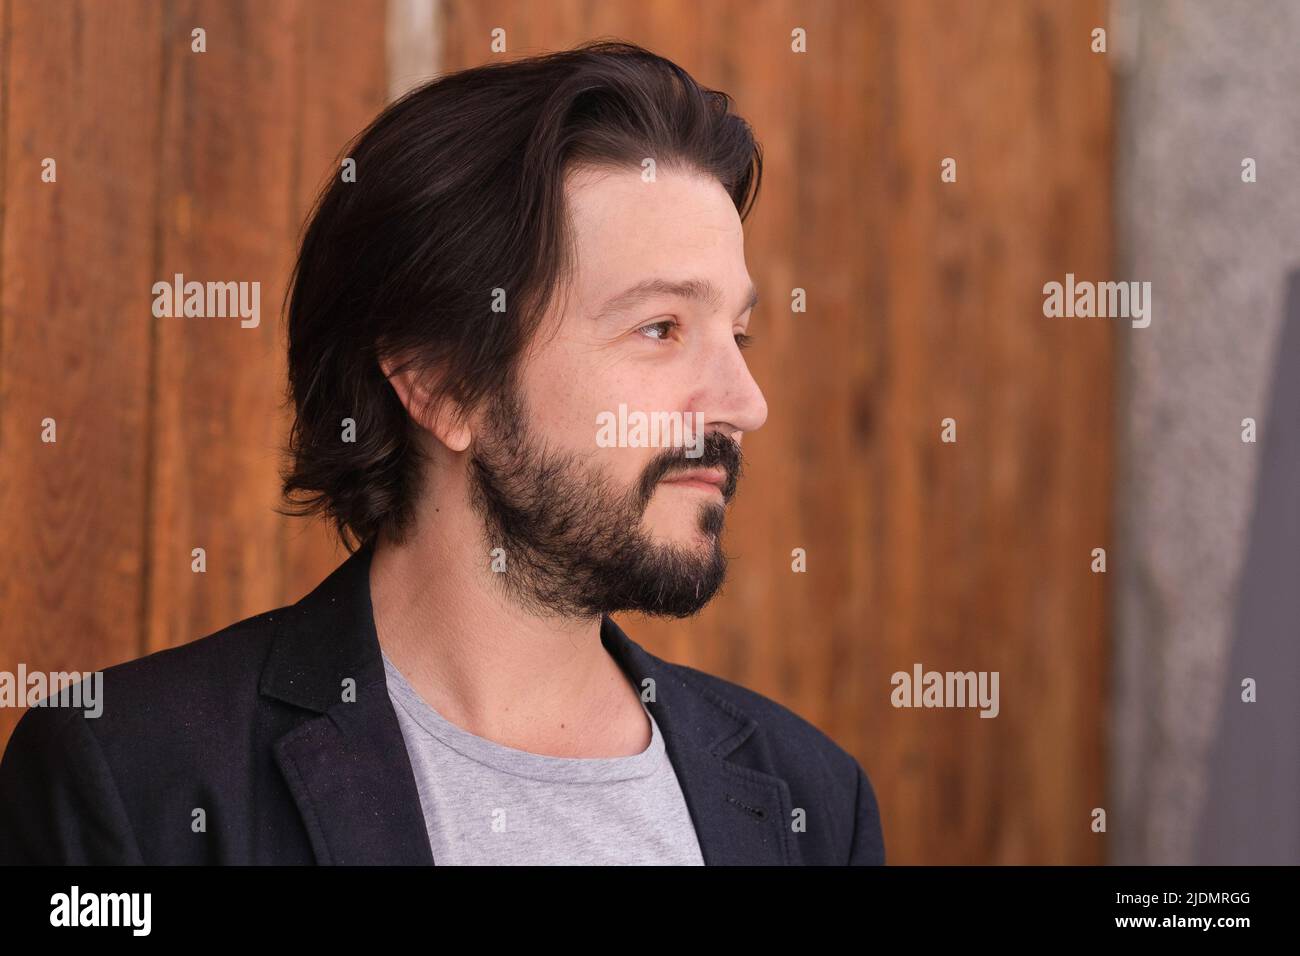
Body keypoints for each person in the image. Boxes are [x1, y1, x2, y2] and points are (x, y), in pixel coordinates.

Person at [0, 39, 884, 865]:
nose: (743, 404)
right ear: (440, 383)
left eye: (739, 334)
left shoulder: (812, 803)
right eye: (662, 328)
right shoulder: (137, 780)